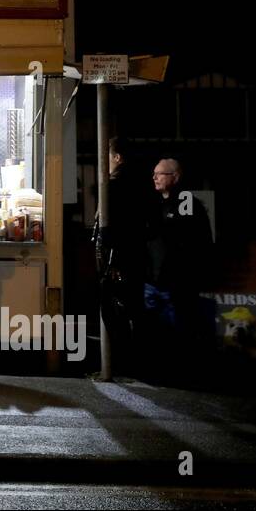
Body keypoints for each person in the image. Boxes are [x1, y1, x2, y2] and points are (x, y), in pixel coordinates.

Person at [145, 157, 215, 381]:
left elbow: (198, 245)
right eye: (154, 173)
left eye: (160, 174)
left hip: (177, 283)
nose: (155, 177)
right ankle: (161, 373)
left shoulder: (187, 203)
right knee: (156, 332)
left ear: (175, 177)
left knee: (179, 331)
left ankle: (181, 376)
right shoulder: (154, 204)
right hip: (153, 282)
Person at [102, 136, 156, 376]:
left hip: (119, 259)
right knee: (135, 309)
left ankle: (127, 364)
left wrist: (110, 259)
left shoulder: (115, 184)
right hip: (137, 256)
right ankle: (140, 362)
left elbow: (109, 228)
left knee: (117, 311)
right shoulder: (144, 183)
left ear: (117, 157)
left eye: (107, 156)